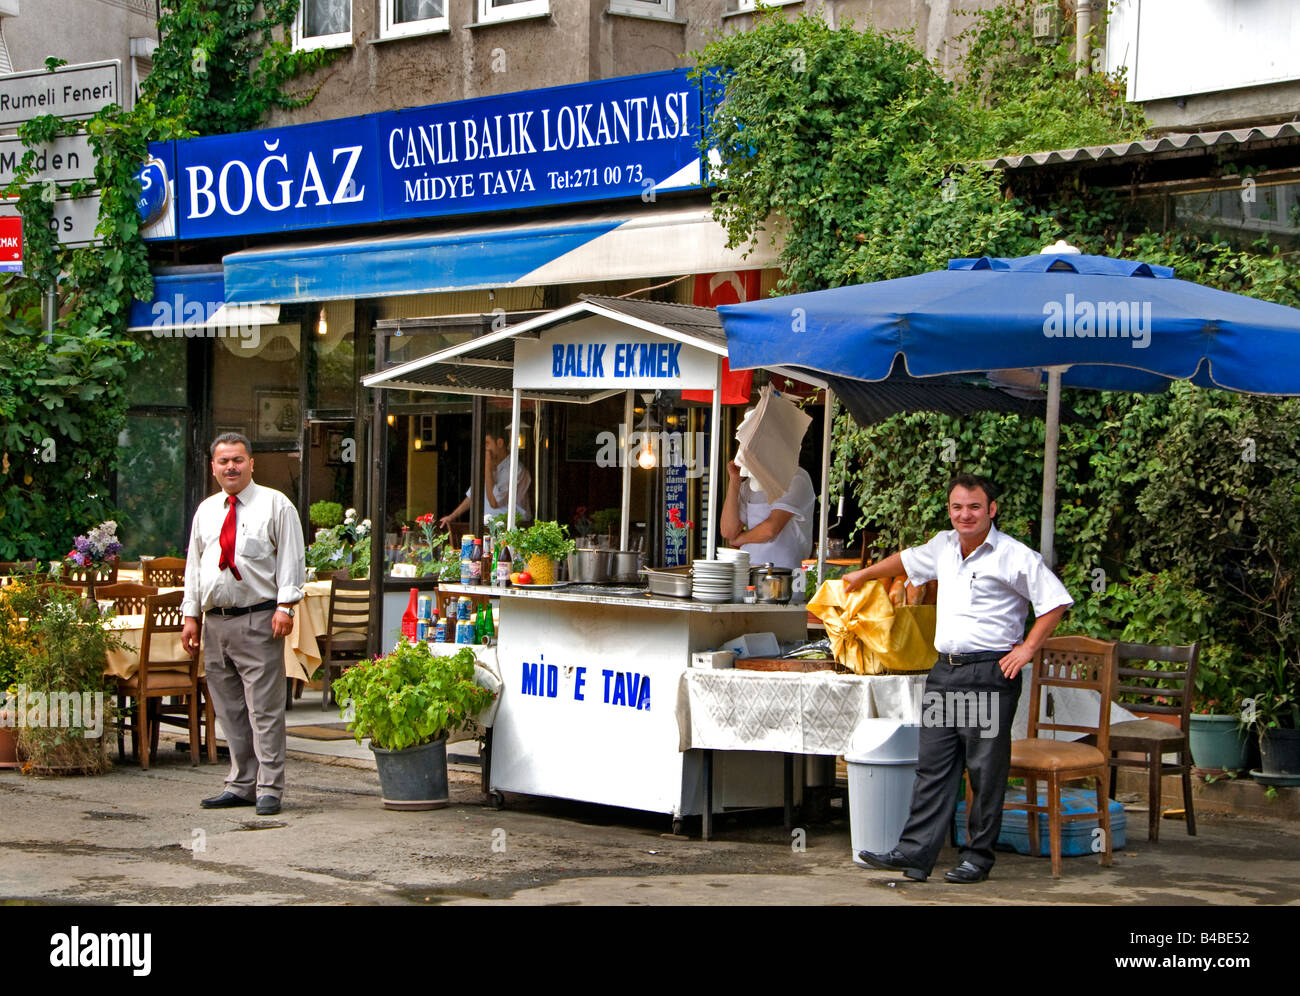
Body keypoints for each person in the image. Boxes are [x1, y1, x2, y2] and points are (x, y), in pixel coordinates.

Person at [844, 473, 1072, 883]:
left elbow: (1054, 603)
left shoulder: (1014, 556)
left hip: (988, 673)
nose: (964, 515)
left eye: (973, 507)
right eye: (957, 507)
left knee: (983, 771)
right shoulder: (943, 546)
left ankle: (977, 857)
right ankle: (914, 855)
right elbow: (906, 561)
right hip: (945, 670)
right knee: (932, 767)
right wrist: (863, 575)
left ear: (992, 510)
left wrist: (1026, 650)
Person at [181, 433, 305, 817]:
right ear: (213, 467)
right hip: (215, 622)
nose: (230, 467)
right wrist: (190, 615)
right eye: (223, 461)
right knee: (229, 709)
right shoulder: (206, 510)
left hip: (259, 619)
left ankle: (269, 788)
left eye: (237, 460)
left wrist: (286, 605)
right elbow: (195, 567)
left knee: (264, 710)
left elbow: (291, 558)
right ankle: (241, 784)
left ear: (252, 463)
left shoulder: (276, 505)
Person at [720, 458, 815, 570]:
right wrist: (734, 481)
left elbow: (770, 529)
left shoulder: (796, 477)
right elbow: (728, 531)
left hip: (785, 571)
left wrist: (739, 539)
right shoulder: (748, 485)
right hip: (749, 569)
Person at [439, 433, 532, 527]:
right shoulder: (491, 465)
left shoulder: (515, 469)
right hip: (489, 526)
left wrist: (487, 466)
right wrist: (452, 516)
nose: (484, 448)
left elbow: (494, 502)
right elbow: (473, 495)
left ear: (500, 443)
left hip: (511, 527)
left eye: (487, 443)